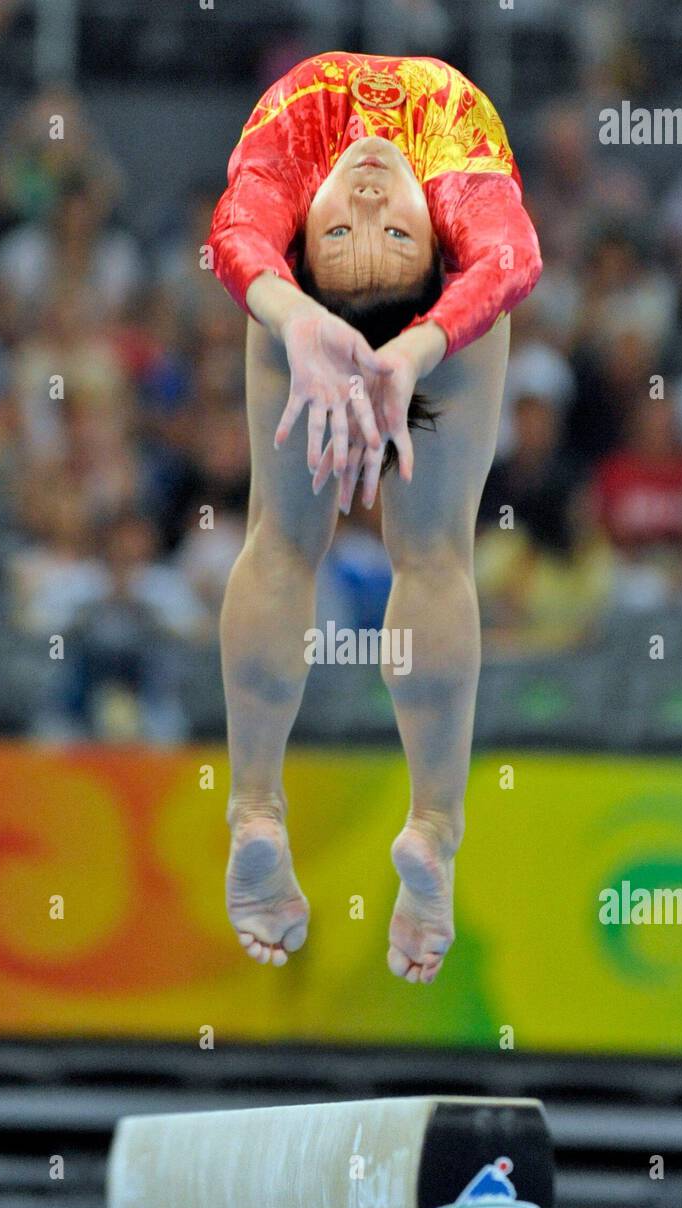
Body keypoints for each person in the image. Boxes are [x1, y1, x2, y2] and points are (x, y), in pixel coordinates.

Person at [207, 52, 542, 981]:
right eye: (389, 227)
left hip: (355, 324)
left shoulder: (291, 148)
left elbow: (238, 230)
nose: (364, 194)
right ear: (437, 245)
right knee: (433, 554)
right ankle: (434, 826)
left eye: (353, 227)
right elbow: (509, 257)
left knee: (282, 541)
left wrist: (310, 320)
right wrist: (322, 323)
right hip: (369, 325)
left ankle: (255, 808)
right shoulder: (458, 179)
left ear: (299, 244)